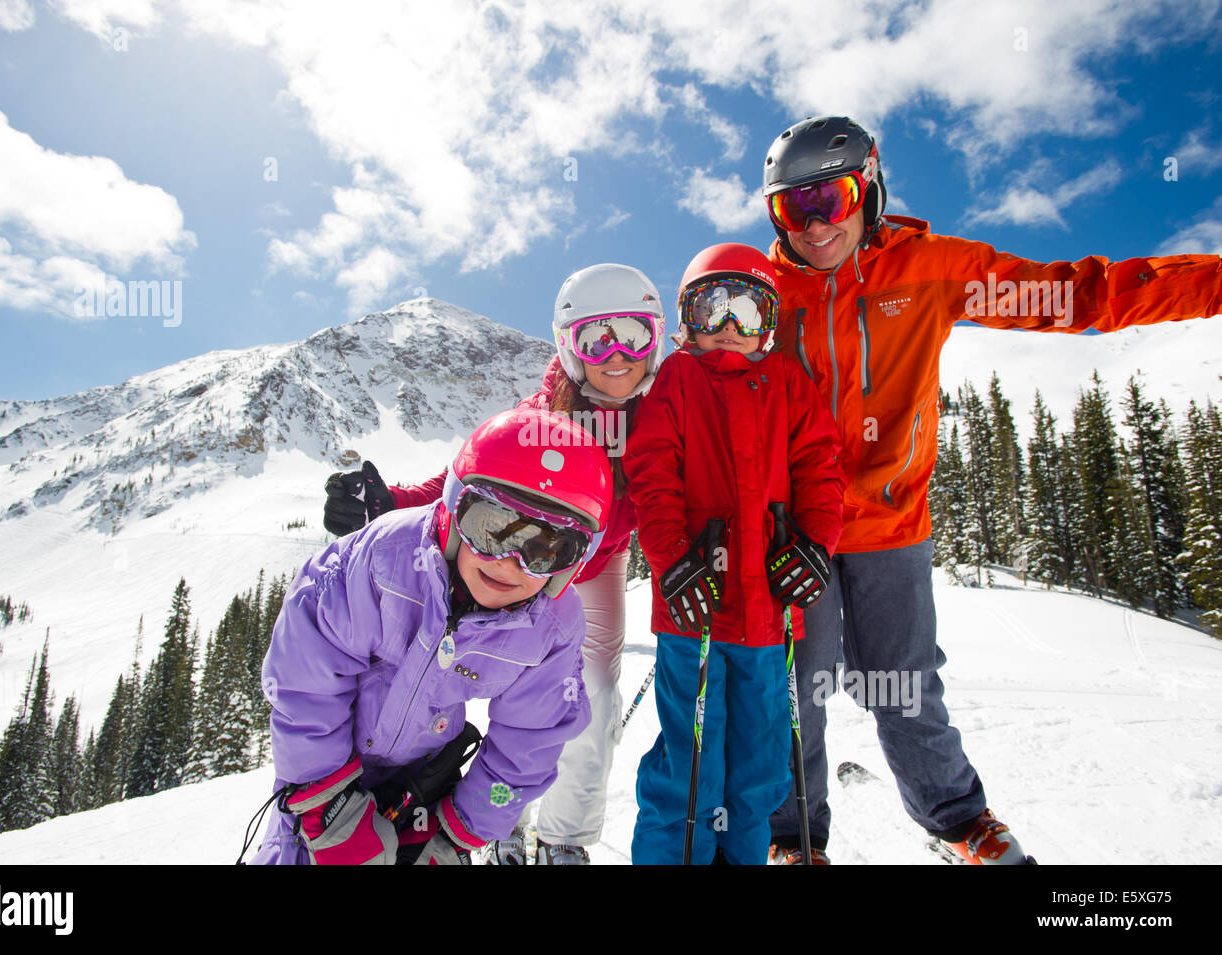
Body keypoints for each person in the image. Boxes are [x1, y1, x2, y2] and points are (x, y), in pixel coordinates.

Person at [760, 115, 1222, 864]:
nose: (815, 226)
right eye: (792, 208)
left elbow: (1080, 295)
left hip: (892, 525)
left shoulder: (928, 269)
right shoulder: (760, 289)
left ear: (870, 189)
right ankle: (793, 836)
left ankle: (955, 817)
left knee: (902, 686)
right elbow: (687, 381)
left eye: (832, 199)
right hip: (795, 533)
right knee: (791, 690)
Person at [321, 264, 667, 864]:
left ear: (655, 340)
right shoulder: (546, 413)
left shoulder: (661, 413)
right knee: (507, 697)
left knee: (591, 695)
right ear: (569, 345)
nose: (617, 354)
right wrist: (392, 503)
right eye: (596, 338)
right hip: (522, 561)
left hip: (596, 563)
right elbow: (477, 476)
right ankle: (503, 819)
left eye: (633, 335)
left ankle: (564, 837)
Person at [249, 408, 612, 865]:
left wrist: (460, 831)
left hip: (421, 788)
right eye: (490, 528)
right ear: (455, 512)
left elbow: (529, 741)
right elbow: (307, 674)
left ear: (572, 562)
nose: (508, 562)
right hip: (321, 774)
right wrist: (327, 807)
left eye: (543, 549)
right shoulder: (385, 562)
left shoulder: (549, 629)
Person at [624, 243, 845, 865]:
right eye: (711, 309)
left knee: (759, 764)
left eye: (746, 312)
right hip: (693, 609)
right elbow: (652, 472)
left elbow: (821, 469)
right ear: (687, 321)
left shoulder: (788, 383)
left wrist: (814, 545)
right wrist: (672, 559)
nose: (728, 328)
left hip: (771, 617)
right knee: (688, 761)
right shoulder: (679, 378)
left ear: (767, 324)